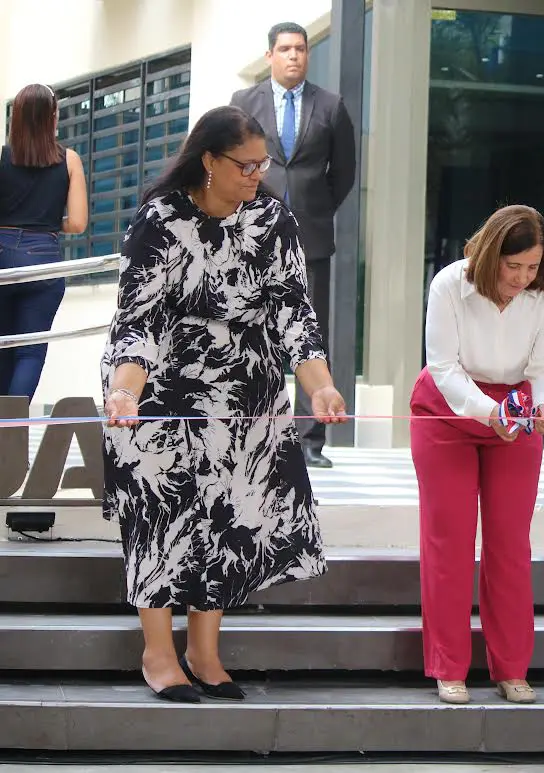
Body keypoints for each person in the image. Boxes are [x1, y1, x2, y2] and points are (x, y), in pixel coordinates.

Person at [101, 105, 348, 704]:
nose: (257, 175)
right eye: (246, 165)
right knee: (161, 511)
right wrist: (125, 391)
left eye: (262, 164)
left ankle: (205, 652)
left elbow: (295, 313)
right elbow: (139, 320)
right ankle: (159, 652)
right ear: (209, 160)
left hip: (246, 391)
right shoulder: (160, 219)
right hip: (159, 387)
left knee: (226, 514)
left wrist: (320, 385)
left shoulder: (271, 218)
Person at [410, 204, 544, 705]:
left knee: (509, 543)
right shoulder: (449, 285)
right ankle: (449, 666)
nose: (522, 278)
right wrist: (486, 411)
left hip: (517, 411)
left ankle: (511, 667)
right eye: (512, 266)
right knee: (449, 540)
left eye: (531, 268)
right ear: (490, 255)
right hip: (448, 410)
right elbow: (444, 366)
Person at [230, 21, 357, 469]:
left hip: (311, 237)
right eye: (284, 49)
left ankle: (310, 440)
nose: (294, 57)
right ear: (270, 56)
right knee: (251, 331)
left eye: (300, 49)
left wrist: (316, 210)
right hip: (252, 235)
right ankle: (256, 430)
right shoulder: (244, 104)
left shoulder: (331, 105)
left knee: (310, 334)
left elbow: (344, 173)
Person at [0, 84, 88, 400]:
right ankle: (10, 436)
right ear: (52, 117)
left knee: (3, 346)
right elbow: (77, 223)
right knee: (29, 353)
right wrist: (48, 223)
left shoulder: (2, 156)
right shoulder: (69, 160)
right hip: (43, 256)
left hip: (2, 255)